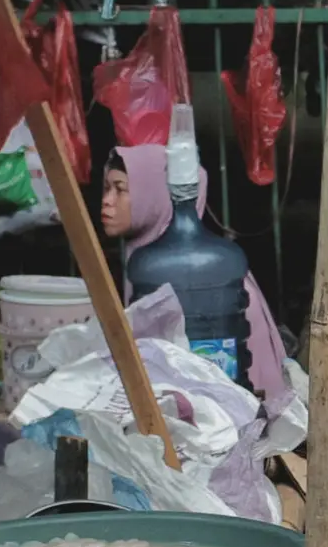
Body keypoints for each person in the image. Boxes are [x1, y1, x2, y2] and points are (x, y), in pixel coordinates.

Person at [100, 144, 297, 424]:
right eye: (107, 188)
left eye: (120, 189)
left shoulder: (214, 281)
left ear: (158, 196)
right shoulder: (142, 266)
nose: (107, 200)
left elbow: (254, 390)